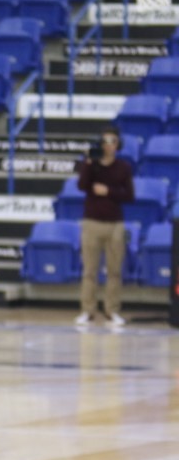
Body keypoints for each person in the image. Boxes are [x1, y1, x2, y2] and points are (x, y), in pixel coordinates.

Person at [76, 126, 135, 329]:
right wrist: (88, 162)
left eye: (113, 141)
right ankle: (87, 311)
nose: (109, 145)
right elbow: (82, 185)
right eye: (105, 141)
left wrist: (108, 191)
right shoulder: (91, 165)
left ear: (118, 145)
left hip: (115, 224)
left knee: (114, 271)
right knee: (89, 271)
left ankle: (112, 311)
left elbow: (129, 195)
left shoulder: (124, 167)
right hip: (91, 222)